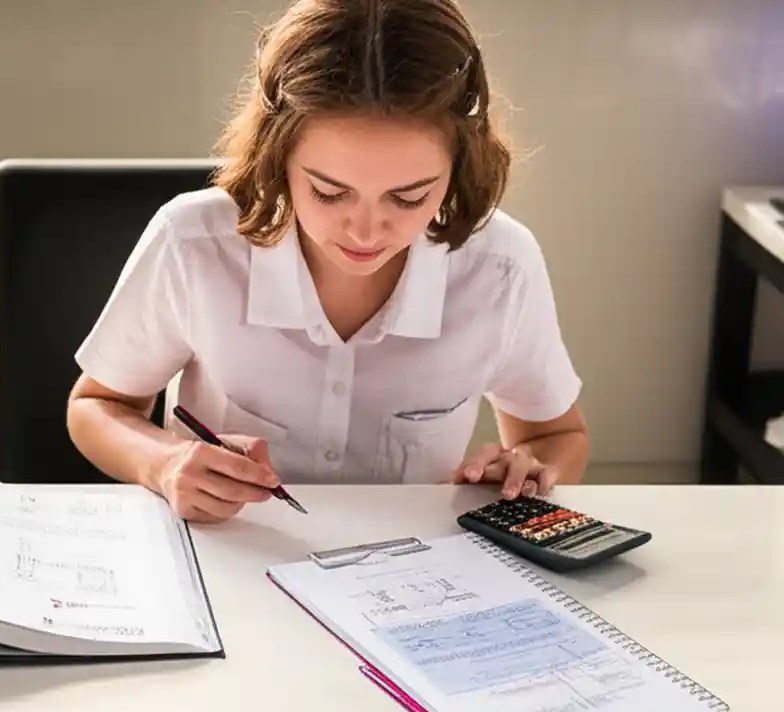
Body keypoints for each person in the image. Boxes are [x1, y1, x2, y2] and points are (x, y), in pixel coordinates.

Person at [66, 0, 588, 523]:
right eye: (328, 192)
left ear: (459, 166)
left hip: (416, 577)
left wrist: (531, 470)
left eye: (408, 198)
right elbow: (96, 407)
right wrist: (164, 462)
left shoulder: (500, 267)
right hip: (228, 563)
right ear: (278, 157)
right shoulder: (193, 244)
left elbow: (556, 435)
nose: (364, 230)